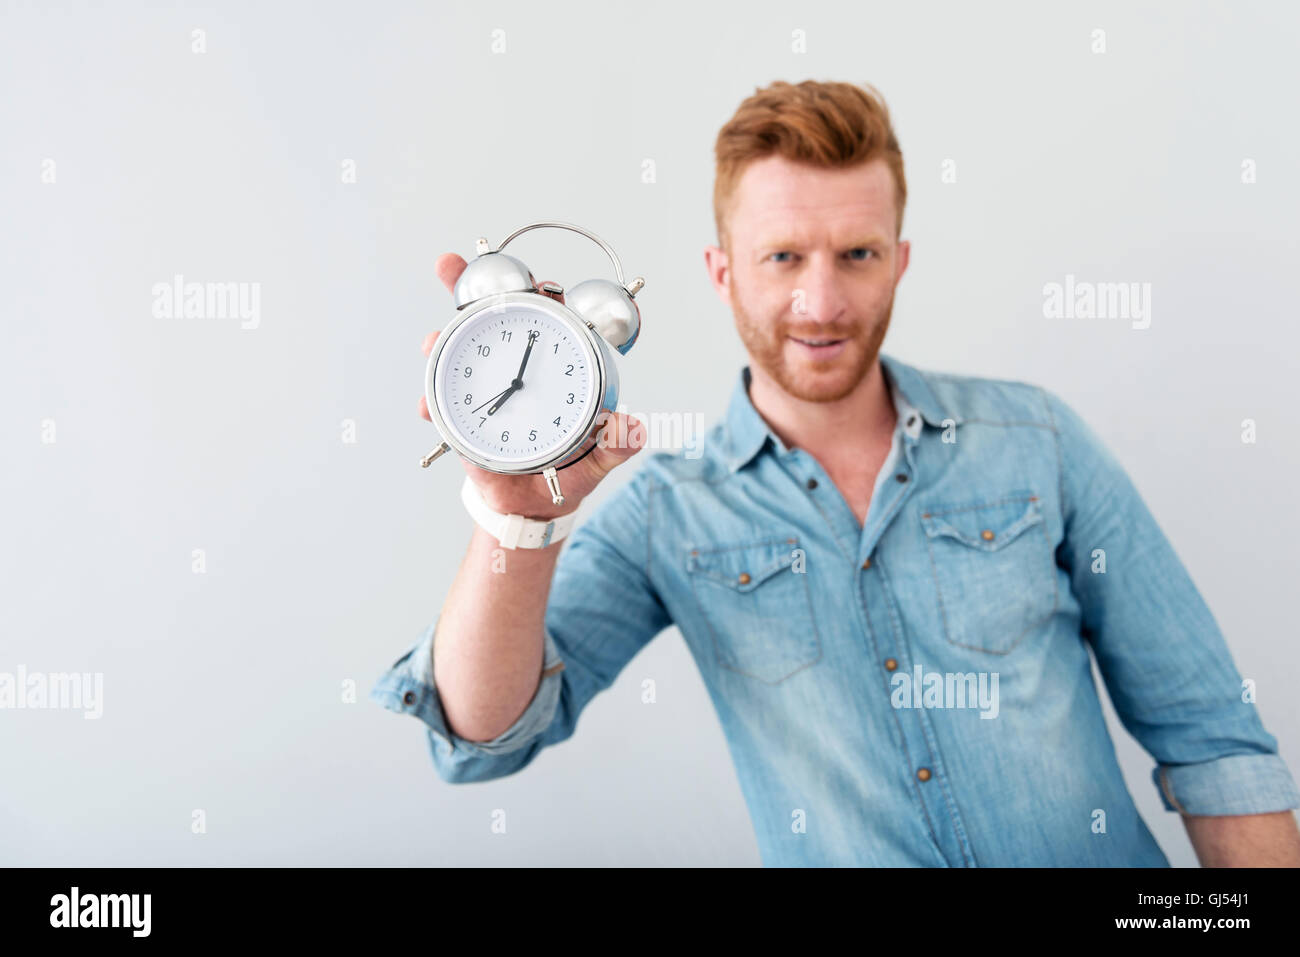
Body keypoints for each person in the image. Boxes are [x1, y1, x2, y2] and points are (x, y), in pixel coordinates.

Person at [371, 79, 1300, 866]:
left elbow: (1213, 737)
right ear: (723, 270)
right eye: (782, 257)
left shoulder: (1038, 440)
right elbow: (481, 736)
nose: (822, 302)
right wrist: (513, 519)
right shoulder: (668, 509)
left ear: (897, 262)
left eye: (857, 254)